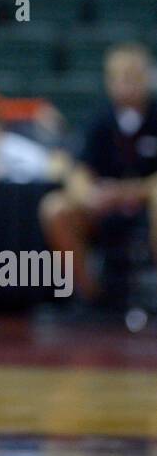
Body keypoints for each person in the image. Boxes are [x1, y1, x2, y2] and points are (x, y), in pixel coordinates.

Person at [39, 43, 157, 303]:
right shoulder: (98, 120)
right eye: (118, 76)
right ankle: (92, 295)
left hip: (147, 209)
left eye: (132, 76)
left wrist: (129, 192)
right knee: (54, 208)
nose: (125, 83)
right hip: (104, 209)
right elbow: (78, 169)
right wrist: (88, 194)